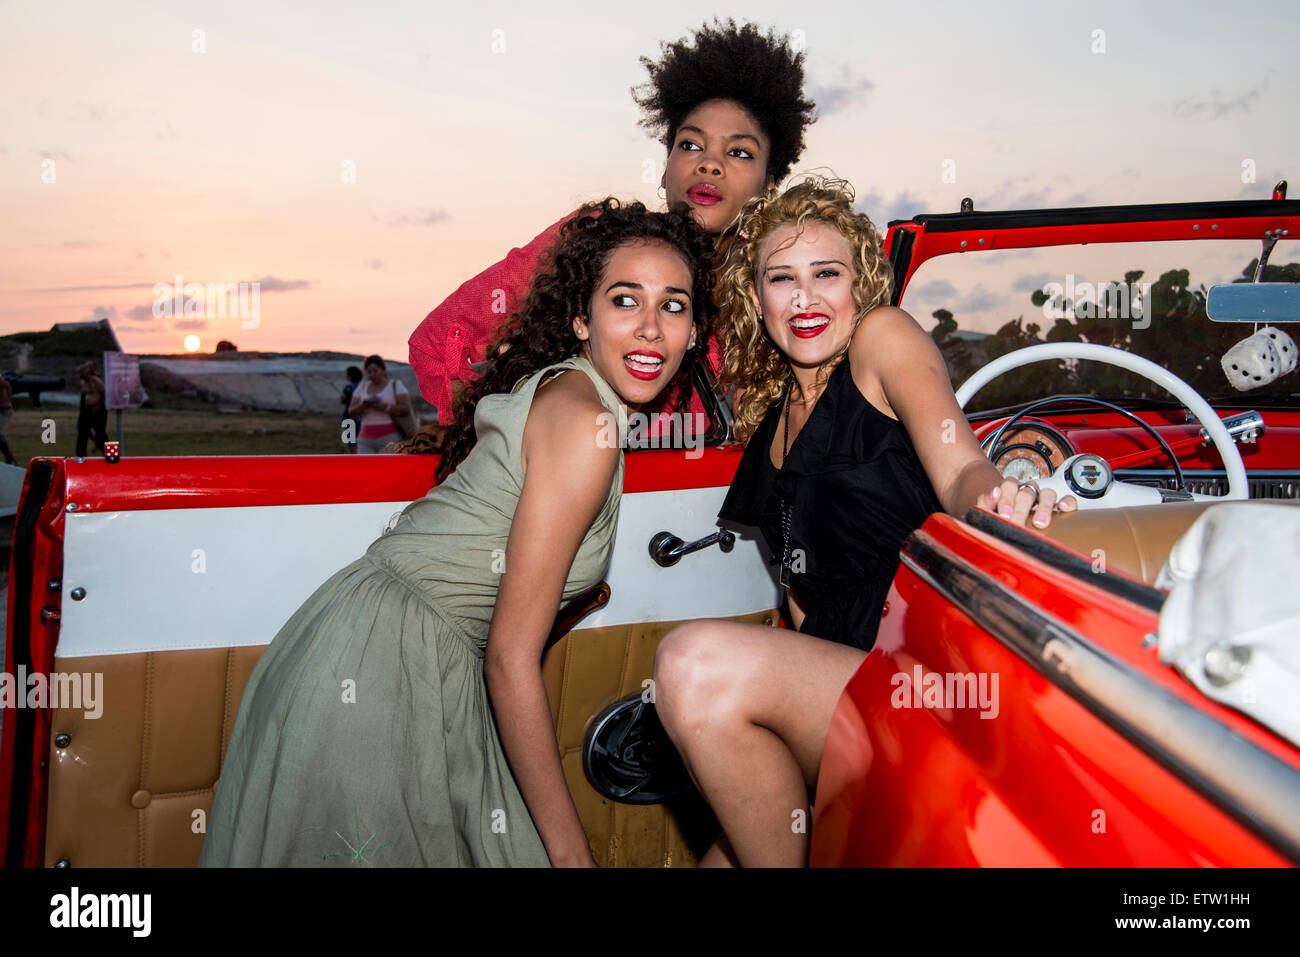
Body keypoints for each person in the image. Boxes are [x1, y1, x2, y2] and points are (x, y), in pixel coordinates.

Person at [199, 200, 715, 867]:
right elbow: (509, 657)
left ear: (696, 330)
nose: (650, 329)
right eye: (625, 300)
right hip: (378, 670)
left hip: (373, 646)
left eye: (673, 306)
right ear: (582, 319)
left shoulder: (574, 398)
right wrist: (571, 854)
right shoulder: (587, 422)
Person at [651, 176, 1078, 867]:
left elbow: (961, 467)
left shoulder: (883, 341)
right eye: (780, 279)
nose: (804, 298)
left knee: (691, 665)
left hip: (921, 673)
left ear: (862, 285)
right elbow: (798, 598)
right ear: (757, 302)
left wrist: (1002, 497)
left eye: (826, 273)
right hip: (837, 680)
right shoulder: (769, 429)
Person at [407, 18, 815, 425]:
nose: (709, 164)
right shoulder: (599, 237)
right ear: (665, 167)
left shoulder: (783, 281)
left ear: (770, 184)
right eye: (690, 145)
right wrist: (500, 438)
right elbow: (440, 342)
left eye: (739, 152)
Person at [348, 356, 411, 454]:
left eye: (375, 371)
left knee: (387, 468)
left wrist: (386, 407)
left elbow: (406, 409)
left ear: (383, 370)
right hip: (365, 439)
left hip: (389, 437)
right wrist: (364, 406)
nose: (372, 374)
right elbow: (351, 411)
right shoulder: (362, 387)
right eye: (369, 371)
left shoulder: (396, 385)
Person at [75, 361, 107, 458]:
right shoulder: (84, 382)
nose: (79, 375)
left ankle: (107, 452)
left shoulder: (96, 381)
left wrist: (98, 406)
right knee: (82, 430)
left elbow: (104, 393)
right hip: (87, 410)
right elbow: (84, 395)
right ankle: (81, 454)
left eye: (81, 373)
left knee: (100, 432)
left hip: (98, 409)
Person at [339, 365, 363, 453]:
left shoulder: (349, 387)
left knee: (351, 442)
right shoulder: (363, 387)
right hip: (361, 417)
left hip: (348, 417)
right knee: (360, 441)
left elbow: (342, 400)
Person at [0, 374, 16, 466]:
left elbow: (7, 385)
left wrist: (7, 400)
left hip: (4, 410)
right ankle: (9, 459)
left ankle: (10, 459)